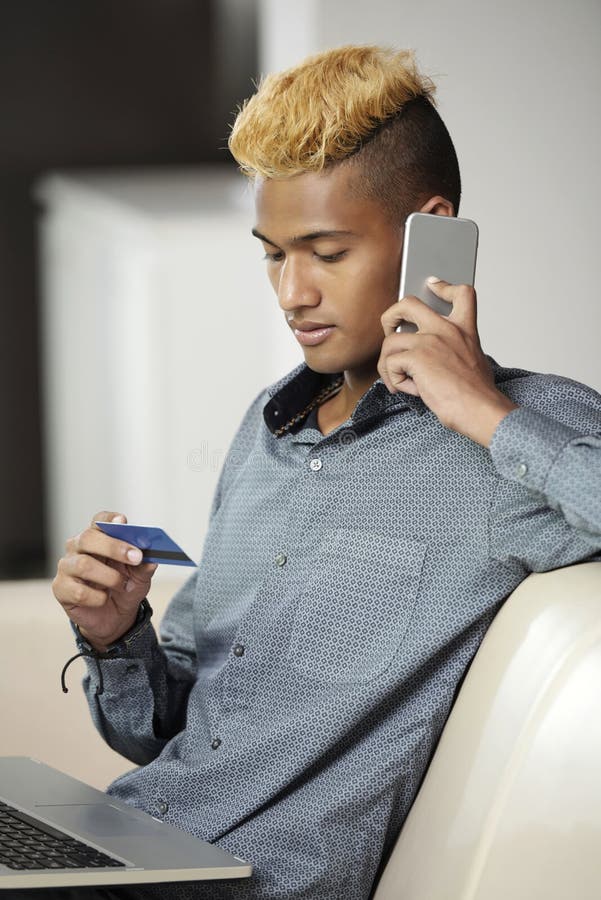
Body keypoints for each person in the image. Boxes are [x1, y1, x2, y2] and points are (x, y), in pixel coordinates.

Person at [48, 45, 601, 900]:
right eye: (272, 253)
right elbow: (160, 738)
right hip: (133, 845)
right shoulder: (267, 430)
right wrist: (119, 636)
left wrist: (483, 413)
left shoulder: (512, 435)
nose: (290, 291)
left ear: (433, 238)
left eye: (325, 252)